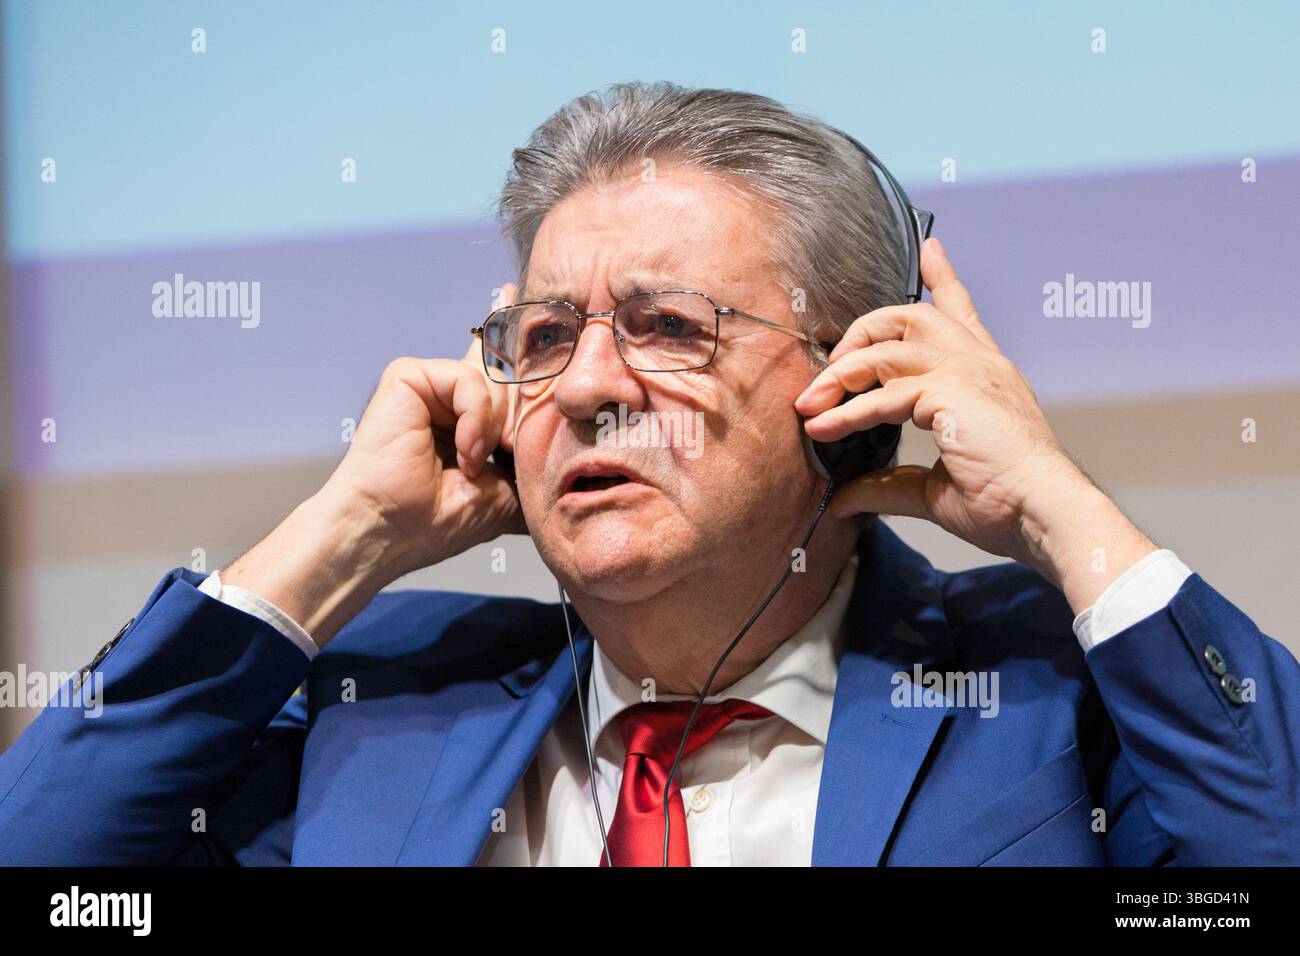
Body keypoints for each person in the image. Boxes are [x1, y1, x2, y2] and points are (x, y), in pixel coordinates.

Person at [2, 82, 1296, 866]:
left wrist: (1066, 517)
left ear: (861, 379)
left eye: (669, 327)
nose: (588, 386)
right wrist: (343, 535)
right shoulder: (377, 705)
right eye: (546, 337)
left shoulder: (1051, 693)